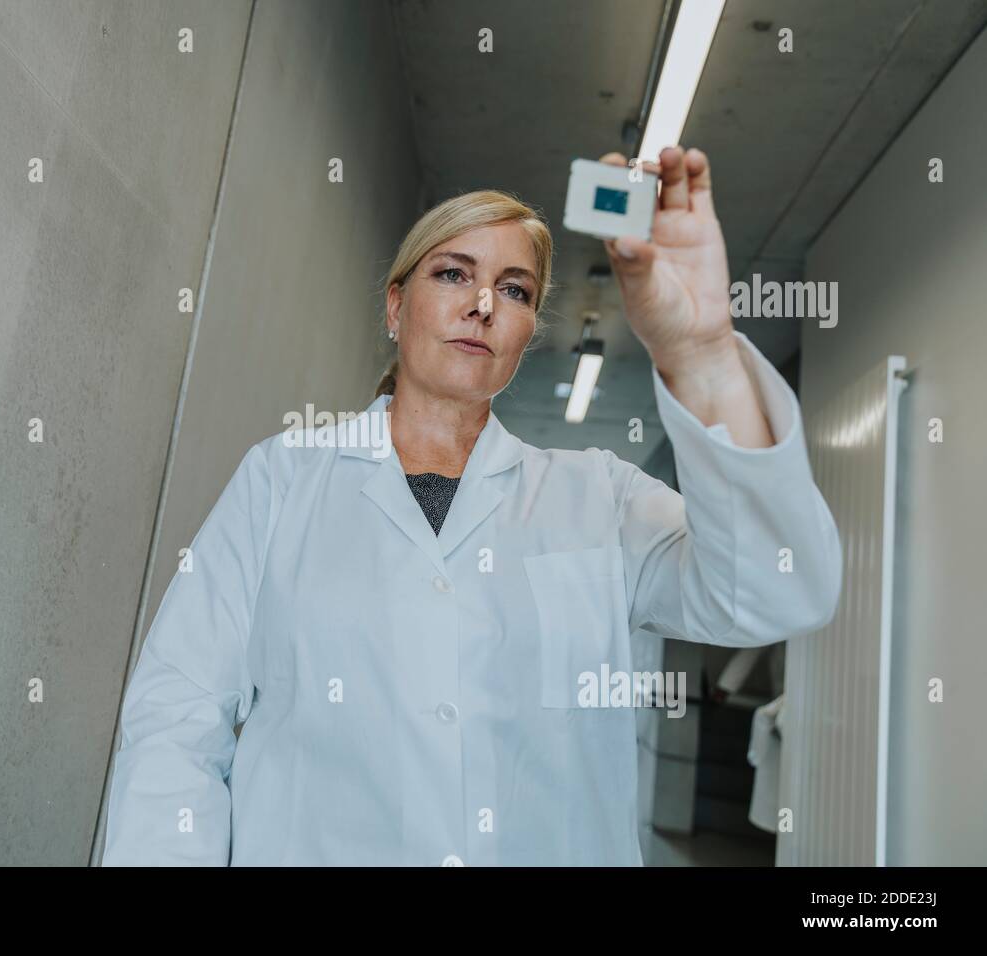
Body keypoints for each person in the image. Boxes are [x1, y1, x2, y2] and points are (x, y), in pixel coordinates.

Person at [101, 147, 843, 866]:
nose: (484, 304)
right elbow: (178, 721)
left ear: (526, 334)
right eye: (454, 273)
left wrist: (703, 354)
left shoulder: (599, 496)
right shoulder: (282, 479)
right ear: (397, 306)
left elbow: (779, 590)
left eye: (516, 290)